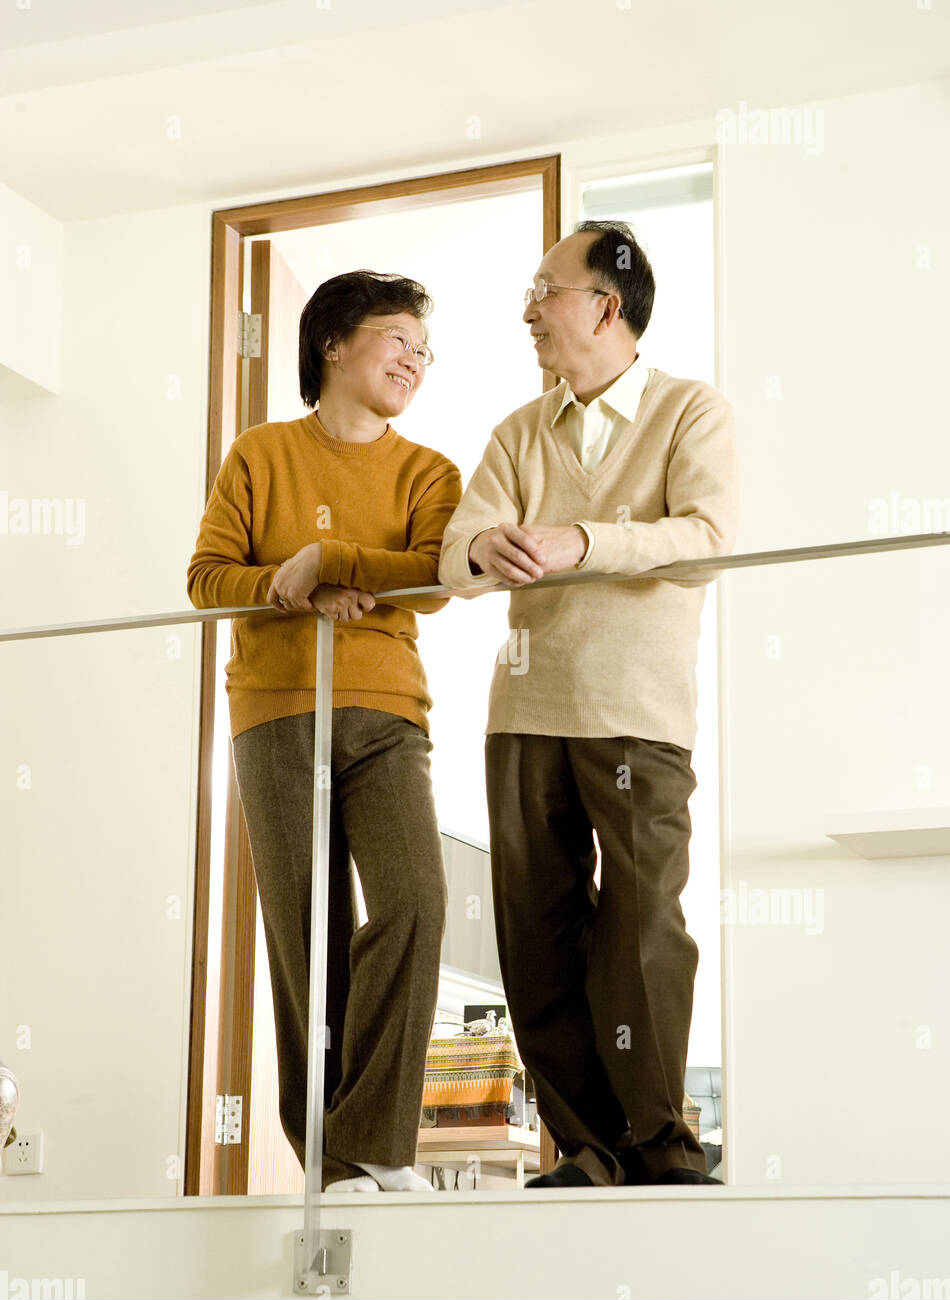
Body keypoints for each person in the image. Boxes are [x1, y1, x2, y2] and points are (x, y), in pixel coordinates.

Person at [438, 220, 738, 1188]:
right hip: (525, 715)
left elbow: (701, 535)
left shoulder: (690, 413)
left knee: (643, 927)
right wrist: (484, 553)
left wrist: (580, 540)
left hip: (639, 717)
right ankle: (588, 1148)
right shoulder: (519, 432)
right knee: (533, 938)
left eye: (543, 289)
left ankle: (661, 1147)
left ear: (604, 305)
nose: (527, 310)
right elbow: (457, 552)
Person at [187, 270, 462, 1193]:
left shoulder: (431, 471)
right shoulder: (260, 454)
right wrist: (282, 584)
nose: (415, 361)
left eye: (425, 350)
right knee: (307, 936)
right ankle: (327, 1161)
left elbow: (434, 573)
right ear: (333, 346)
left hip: (387, 711)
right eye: (398, 340)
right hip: (273, 713)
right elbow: (205, 577)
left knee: (418, 902)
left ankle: (372, 1144)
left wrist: (334, 557)